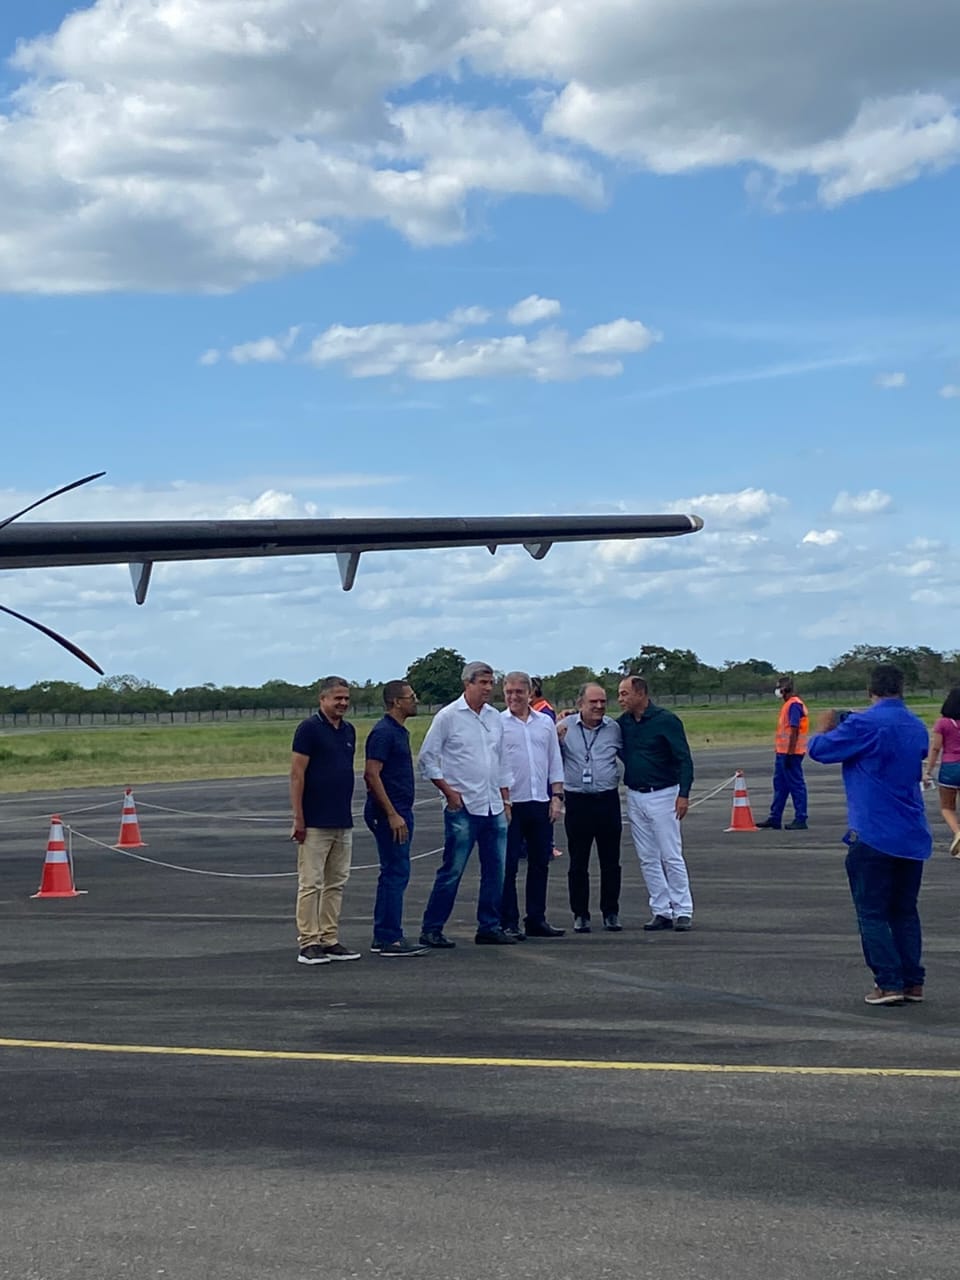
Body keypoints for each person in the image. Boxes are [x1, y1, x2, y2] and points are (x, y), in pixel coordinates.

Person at [808, 664, 932, 1006]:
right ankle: (912, 981)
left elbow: (820, 751)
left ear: (870, 690)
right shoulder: (916, 725)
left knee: (872, 912)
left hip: (874, 832)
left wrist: (823, 728)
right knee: (905, 911)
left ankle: (888, 982)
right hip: (911, 832)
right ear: (902, 688)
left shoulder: (864, 724)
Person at [418, 660, 514, 947]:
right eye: (482, 683)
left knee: (495, 870)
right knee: (452, 870)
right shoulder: (448, 716)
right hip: (464, 806)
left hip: (492, 804)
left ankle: (489, 925)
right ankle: (432, 927)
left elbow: (502, 760)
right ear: (467, 684)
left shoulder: (494, 717)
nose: (488, 688)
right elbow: (427, 758)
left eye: (490, 683)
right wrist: (448, 792)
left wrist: (506, 798)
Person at [290, 676, 361, 965]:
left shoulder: (348, 731)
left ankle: (329, 937)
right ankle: (309, 941)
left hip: (341, 819)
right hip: (315, 820)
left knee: (336, 882)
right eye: (337, 698)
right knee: (311, 883)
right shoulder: (309, 729)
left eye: (346, 698)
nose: (342, 703)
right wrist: (299, 817)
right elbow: (297, 774)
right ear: (323, 699)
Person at [617, 676, 694, 932]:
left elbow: (684, 758)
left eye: (625, 694)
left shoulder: (666, 720)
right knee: (647, 856)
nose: (621, 699)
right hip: (636, 795)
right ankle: (661, 909)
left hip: (663, 793)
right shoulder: (624, 723)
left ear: (640, 693)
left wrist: (683, 794)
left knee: (670, 854)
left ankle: (683, 909)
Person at [363, 680, 430, 957]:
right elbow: (371, 773)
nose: (415, 700)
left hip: (401, 810)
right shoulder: (383, 733)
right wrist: (392, 814)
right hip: (390, 813)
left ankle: (385, 934)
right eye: (410, 697)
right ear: (396, 702)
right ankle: (389, 936)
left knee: (395, 872)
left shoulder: (399, 732)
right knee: (395, 872)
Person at [499, 671, 566, 940]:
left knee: (540, 863)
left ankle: (536, 918)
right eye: (509, 692)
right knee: (509, 865)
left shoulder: (544, 723)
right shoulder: (498, 723)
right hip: (513, 804)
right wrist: (503, 799)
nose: (514, 697)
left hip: (540, 801)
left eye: (519, 692)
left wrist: (557, 796)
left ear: (530, 693)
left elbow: (554, 759)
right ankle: (509, 921)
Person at [557, 682, 623, 933]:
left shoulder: (614, 728)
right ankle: (580, 913)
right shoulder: (563, 727)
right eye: (593, 702)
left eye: (602, 702)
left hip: (606, 800)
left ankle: (611, 911)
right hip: (577, 801)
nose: (598, 706)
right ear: (579, 704)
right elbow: (551, 758)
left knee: (610, 861)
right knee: (578, 862)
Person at [756, 676, 809, 830]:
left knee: (796, 785)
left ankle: (801, 818)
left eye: (779, 687)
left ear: (785, 689)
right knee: (780, 785)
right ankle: (775, 817)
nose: (778, 690)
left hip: (791, 752)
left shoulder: (794, 705)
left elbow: (794, 730)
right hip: (783, 752)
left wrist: (790, 753)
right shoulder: (788, 705)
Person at [923, 686, 960, 857]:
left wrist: (928, 770)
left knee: (947, 807)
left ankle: (958, 832)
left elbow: (936, 748)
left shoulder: (942, 723)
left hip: (950, 767)